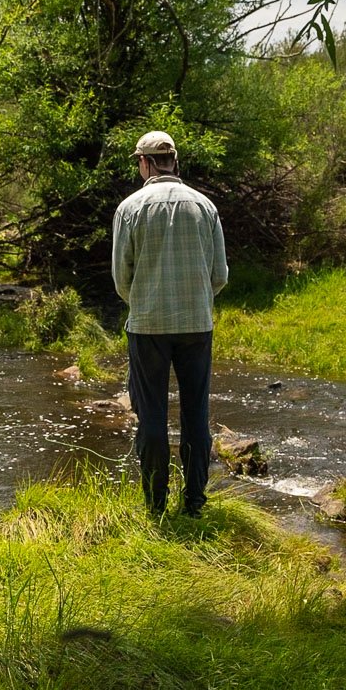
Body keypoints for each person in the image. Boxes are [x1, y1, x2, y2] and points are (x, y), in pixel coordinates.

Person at [111, 130, 228, 516]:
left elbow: (120, 278)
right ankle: (194, 503)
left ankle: (156, 505)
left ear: (144, 163)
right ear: (174, 161)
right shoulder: (205, 207)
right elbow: (220, 275)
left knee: (152, 417)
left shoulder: (130, 208)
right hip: (197, 325)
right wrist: (196, 300)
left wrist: (143, 301)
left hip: (147, 327)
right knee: (196, 414)